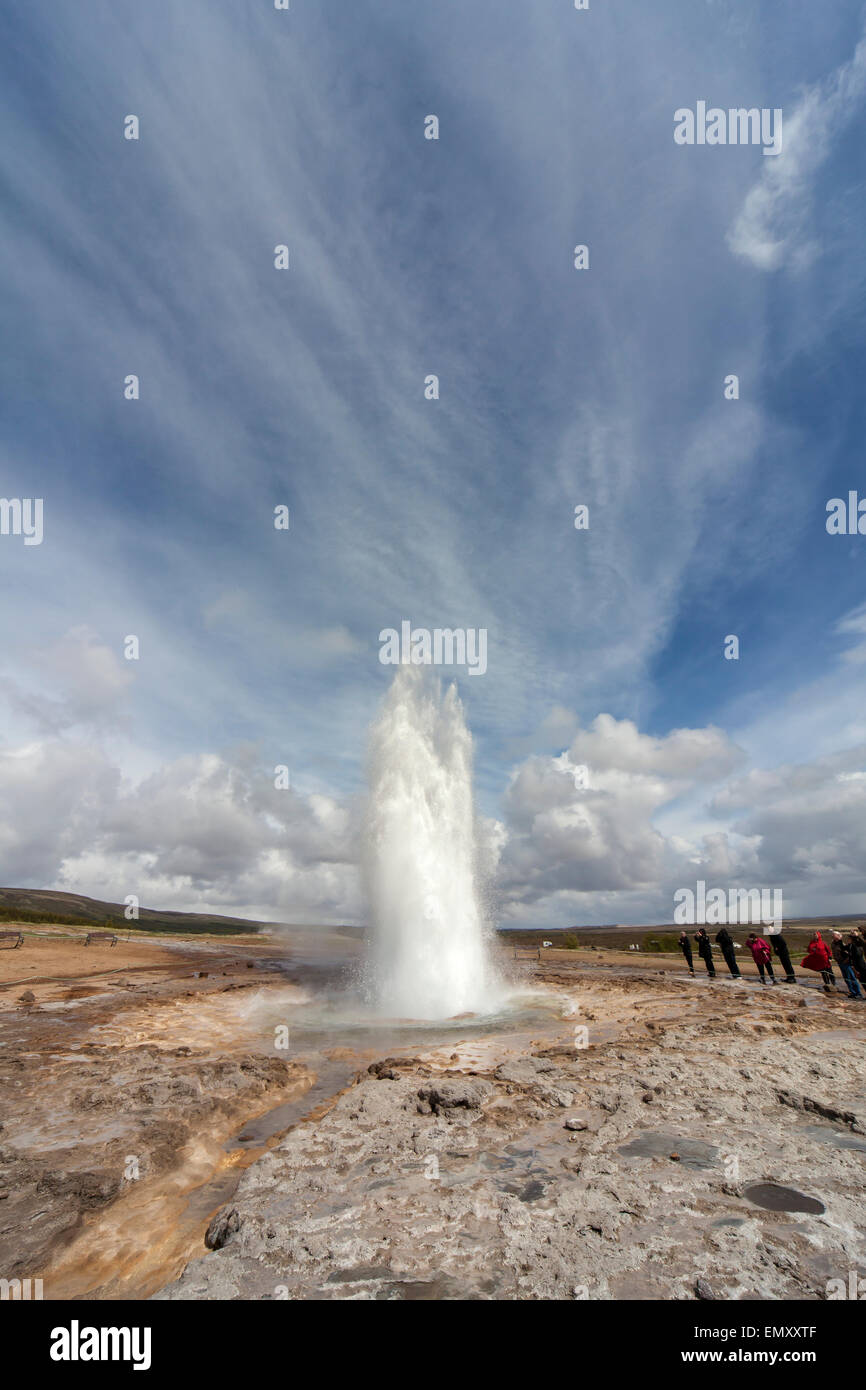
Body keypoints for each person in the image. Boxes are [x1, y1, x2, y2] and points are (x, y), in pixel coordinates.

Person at [831, 930, 863, 999]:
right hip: (840, 963)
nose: (832, 936)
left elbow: (849, 954)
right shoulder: (833, 943)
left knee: (851, 978)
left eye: (834, 935)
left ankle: (858, 994)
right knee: (846, 979)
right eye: (833, 935)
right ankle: (852, 993)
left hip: (847, 964)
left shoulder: (846, 944)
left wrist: (846, 961)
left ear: (838, 936)